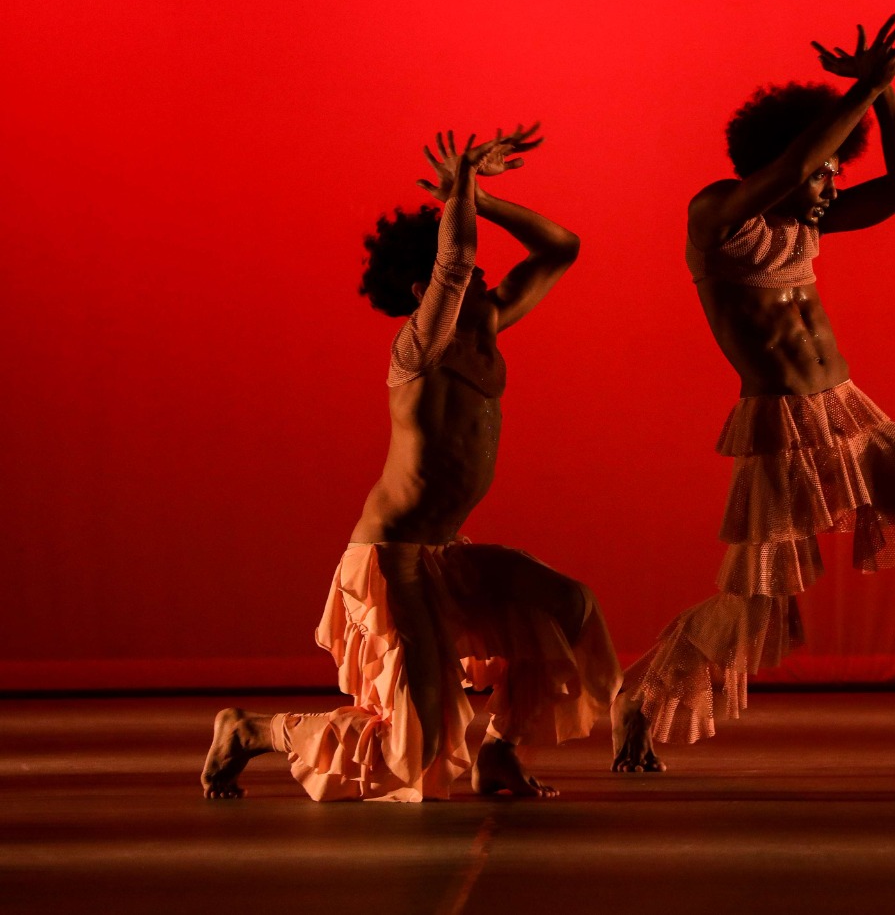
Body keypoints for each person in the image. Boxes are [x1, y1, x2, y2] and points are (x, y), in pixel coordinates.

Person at [611, 16, 895, 778]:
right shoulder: (718, 217)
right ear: (782, 164)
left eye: (838, 170)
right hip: (783, 427)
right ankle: (639, 699)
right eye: (824, 171)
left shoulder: (805, 217)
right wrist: (863, 87)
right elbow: (795, 164)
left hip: (850, 414)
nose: (833, 184)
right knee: (759, 602)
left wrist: (887, 96)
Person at [201, 126, 621, 801]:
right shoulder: (421, 343)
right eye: (461, 274)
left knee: (570, 605)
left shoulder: (488, 323)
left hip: (442, 555)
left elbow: (560, 247)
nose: (482, 274)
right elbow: (455, 263)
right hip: (391, 559)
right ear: (421, 287)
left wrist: (479, 198)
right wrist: (454, 195)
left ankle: (499, 753)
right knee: (415, 753)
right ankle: (256, 730)